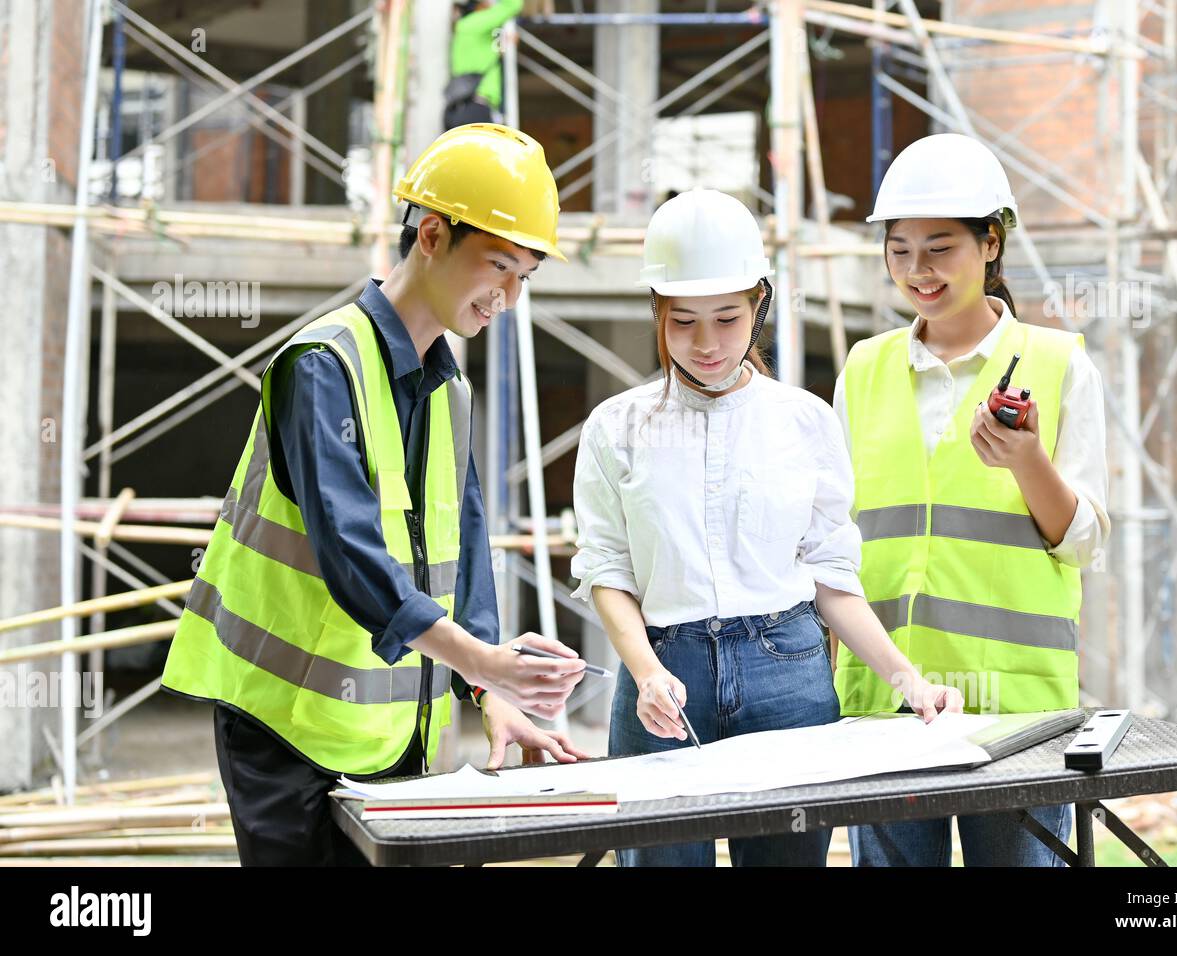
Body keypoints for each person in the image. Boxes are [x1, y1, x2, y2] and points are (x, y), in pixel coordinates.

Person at [162, 124, 590, 866]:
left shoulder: (449, 388)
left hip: (394, 738)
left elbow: (465, 557)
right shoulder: (322, 367)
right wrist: (485, 664)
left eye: (526, 275)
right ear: (431, 235)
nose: (509, 298)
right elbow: (350, 551)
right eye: (498, 266)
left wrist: (491, 696)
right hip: (286, 731)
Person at [571, 188, 964, 868]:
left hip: (788, 672)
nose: (705, 344)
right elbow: (607, 569)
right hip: (663, 675)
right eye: (682, 321)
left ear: (760, 304)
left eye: (726, 318)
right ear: (657, 315)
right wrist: (647, 669)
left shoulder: (804, 421)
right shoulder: (617, 427)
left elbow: (833, 579)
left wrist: (910, 683)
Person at [833, 133, 1110, 866]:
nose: (917, 272)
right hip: (887, 701)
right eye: (899, 250)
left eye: (939, 248)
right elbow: (830, 538)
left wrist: (1027, 463)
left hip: (1014, 708)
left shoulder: (1057, 364)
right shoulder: (865, 369)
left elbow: (1084, 541)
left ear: (992, 243)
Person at [444, 0, 523, 130]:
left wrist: (504, 44)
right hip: (476, 109)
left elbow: (483, 56)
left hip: (458, 110)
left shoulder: (466, 29)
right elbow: (512, 5)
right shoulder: (475, 23)